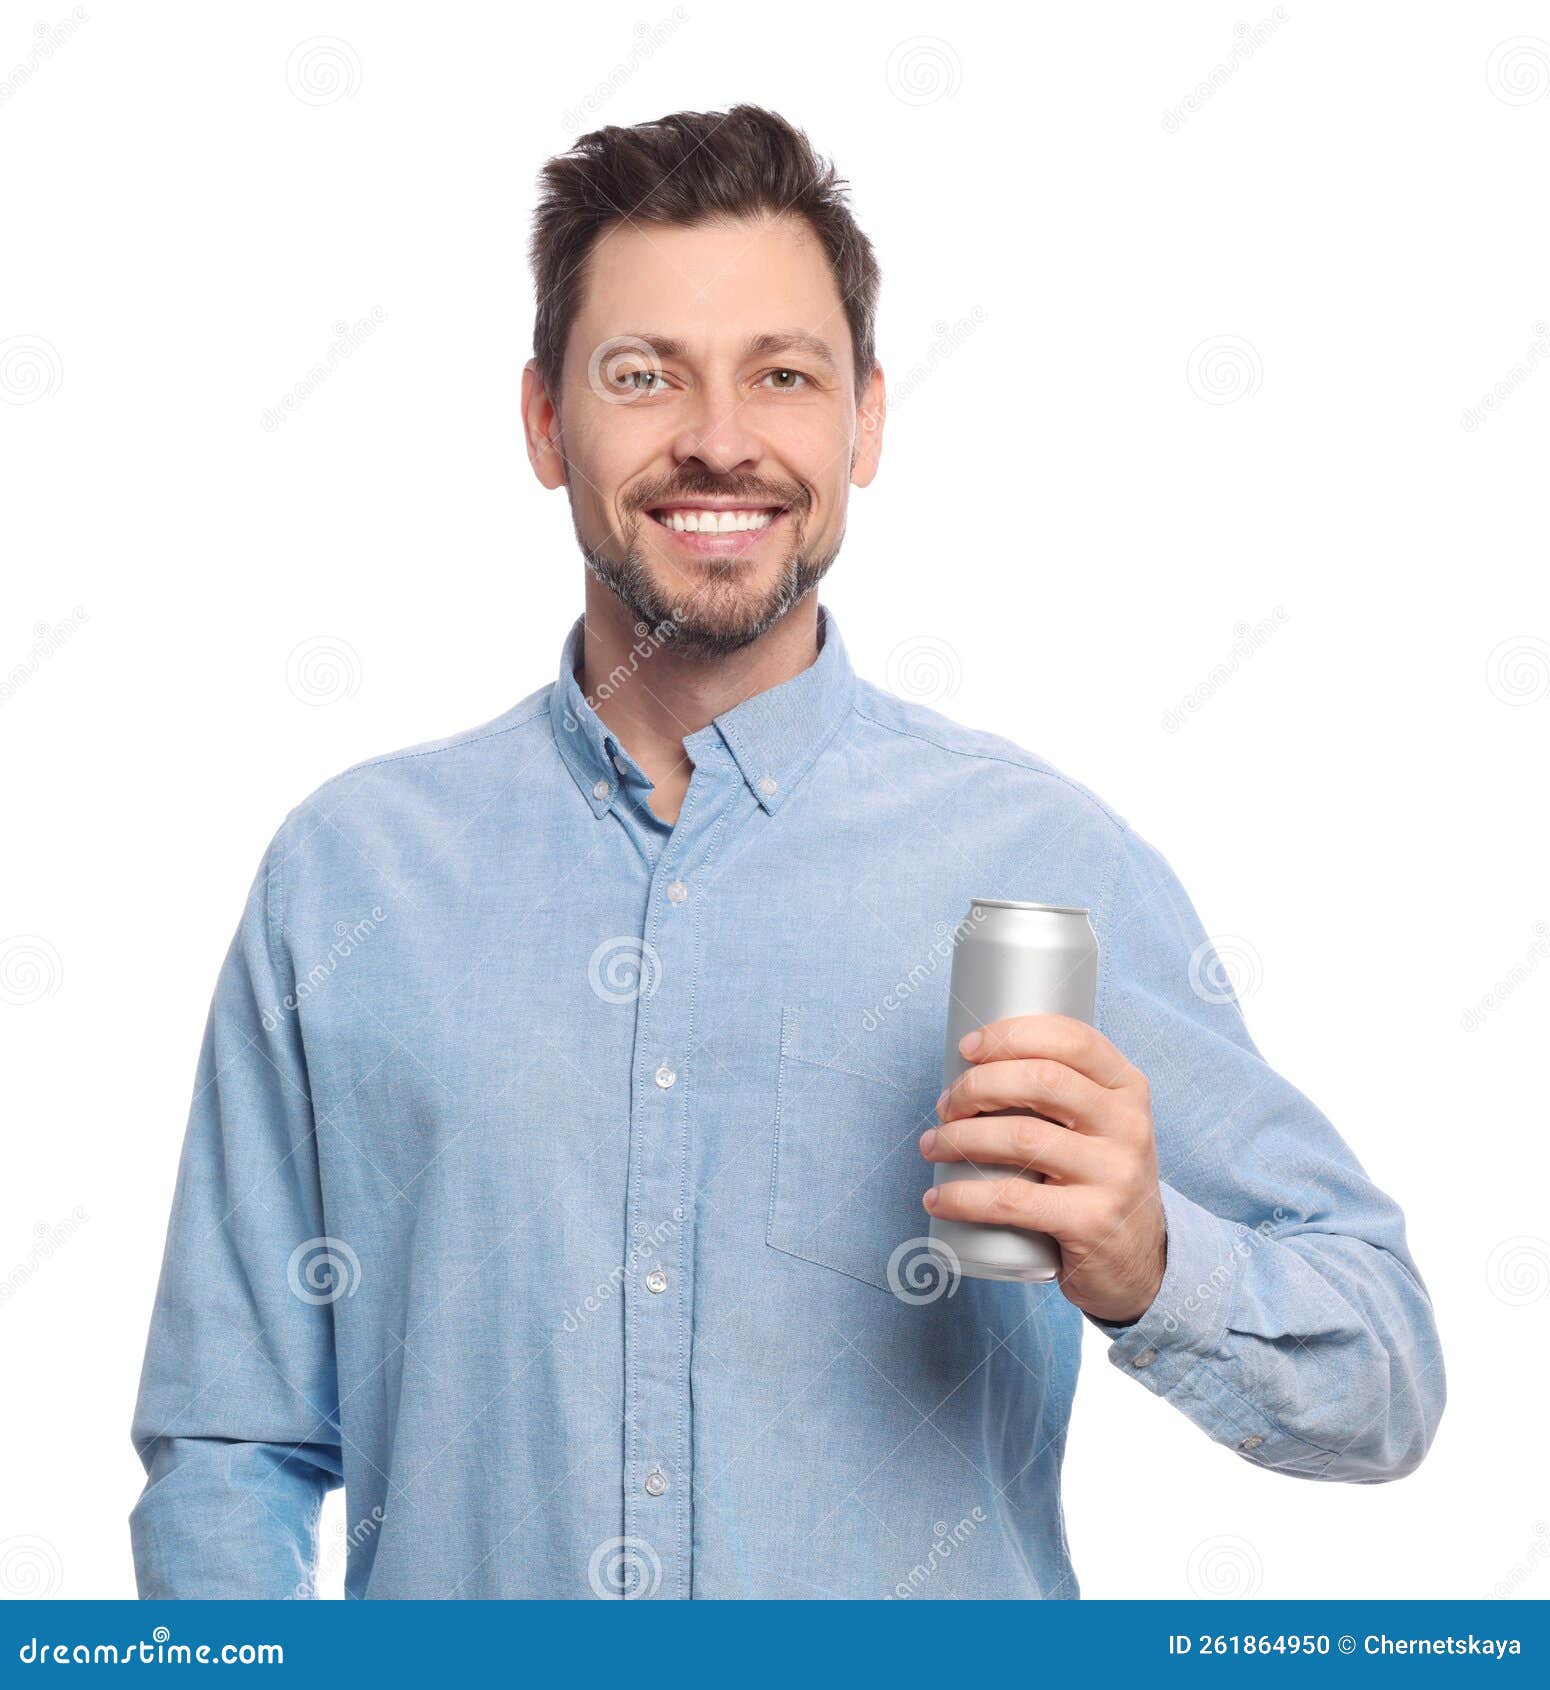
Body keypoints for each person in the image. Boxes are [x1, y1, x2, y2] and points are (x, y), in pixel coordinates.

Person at [130, 105, 1443, 1600]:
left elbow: (1383, 1371)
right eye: (643, 375)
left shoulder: (1036, 861)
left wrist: (1153, 1262)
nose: (718, 438)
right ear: (544, 422)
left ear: (865, 422)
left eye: (784, 374)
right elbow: (228, 1447)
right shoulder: (348, 879)